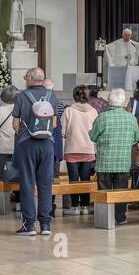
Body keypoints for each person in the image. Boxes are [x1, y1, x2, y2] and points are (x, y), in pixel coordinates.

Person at [11, 67, 62, 236]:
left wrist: (24, 135)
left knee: (27, 183)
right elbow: (54, 124)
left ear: (31, 79)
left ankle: (29, 225)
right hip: (47, 144)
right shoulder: (51, 96)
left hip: (27, 144)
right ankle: (46, 225)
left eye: (26, 77)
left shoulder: (21, 96)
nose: (25, 79)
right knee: (45, 184)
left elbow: (15, 124)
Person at [89, 88, 139, 225]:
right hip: (123, 162)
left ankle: (105, 218)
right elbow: (136, 138)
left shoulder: (102, 117)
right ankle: (120, 217)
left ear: (110, 100)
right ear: (122, 100)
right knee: (121, 191)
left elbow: (93, 137)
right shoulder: (131, 118)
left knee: (104, 192)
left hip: (104, 162)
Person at [61, 85, 98, 216]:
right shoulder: (93, 111)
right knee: (86, 179)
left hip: (72, 149)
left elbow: (62, 132)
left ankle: (75, 207)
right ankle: (85, 206)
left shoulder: (68, 111)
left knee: (73, 179)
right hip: (88, 149)